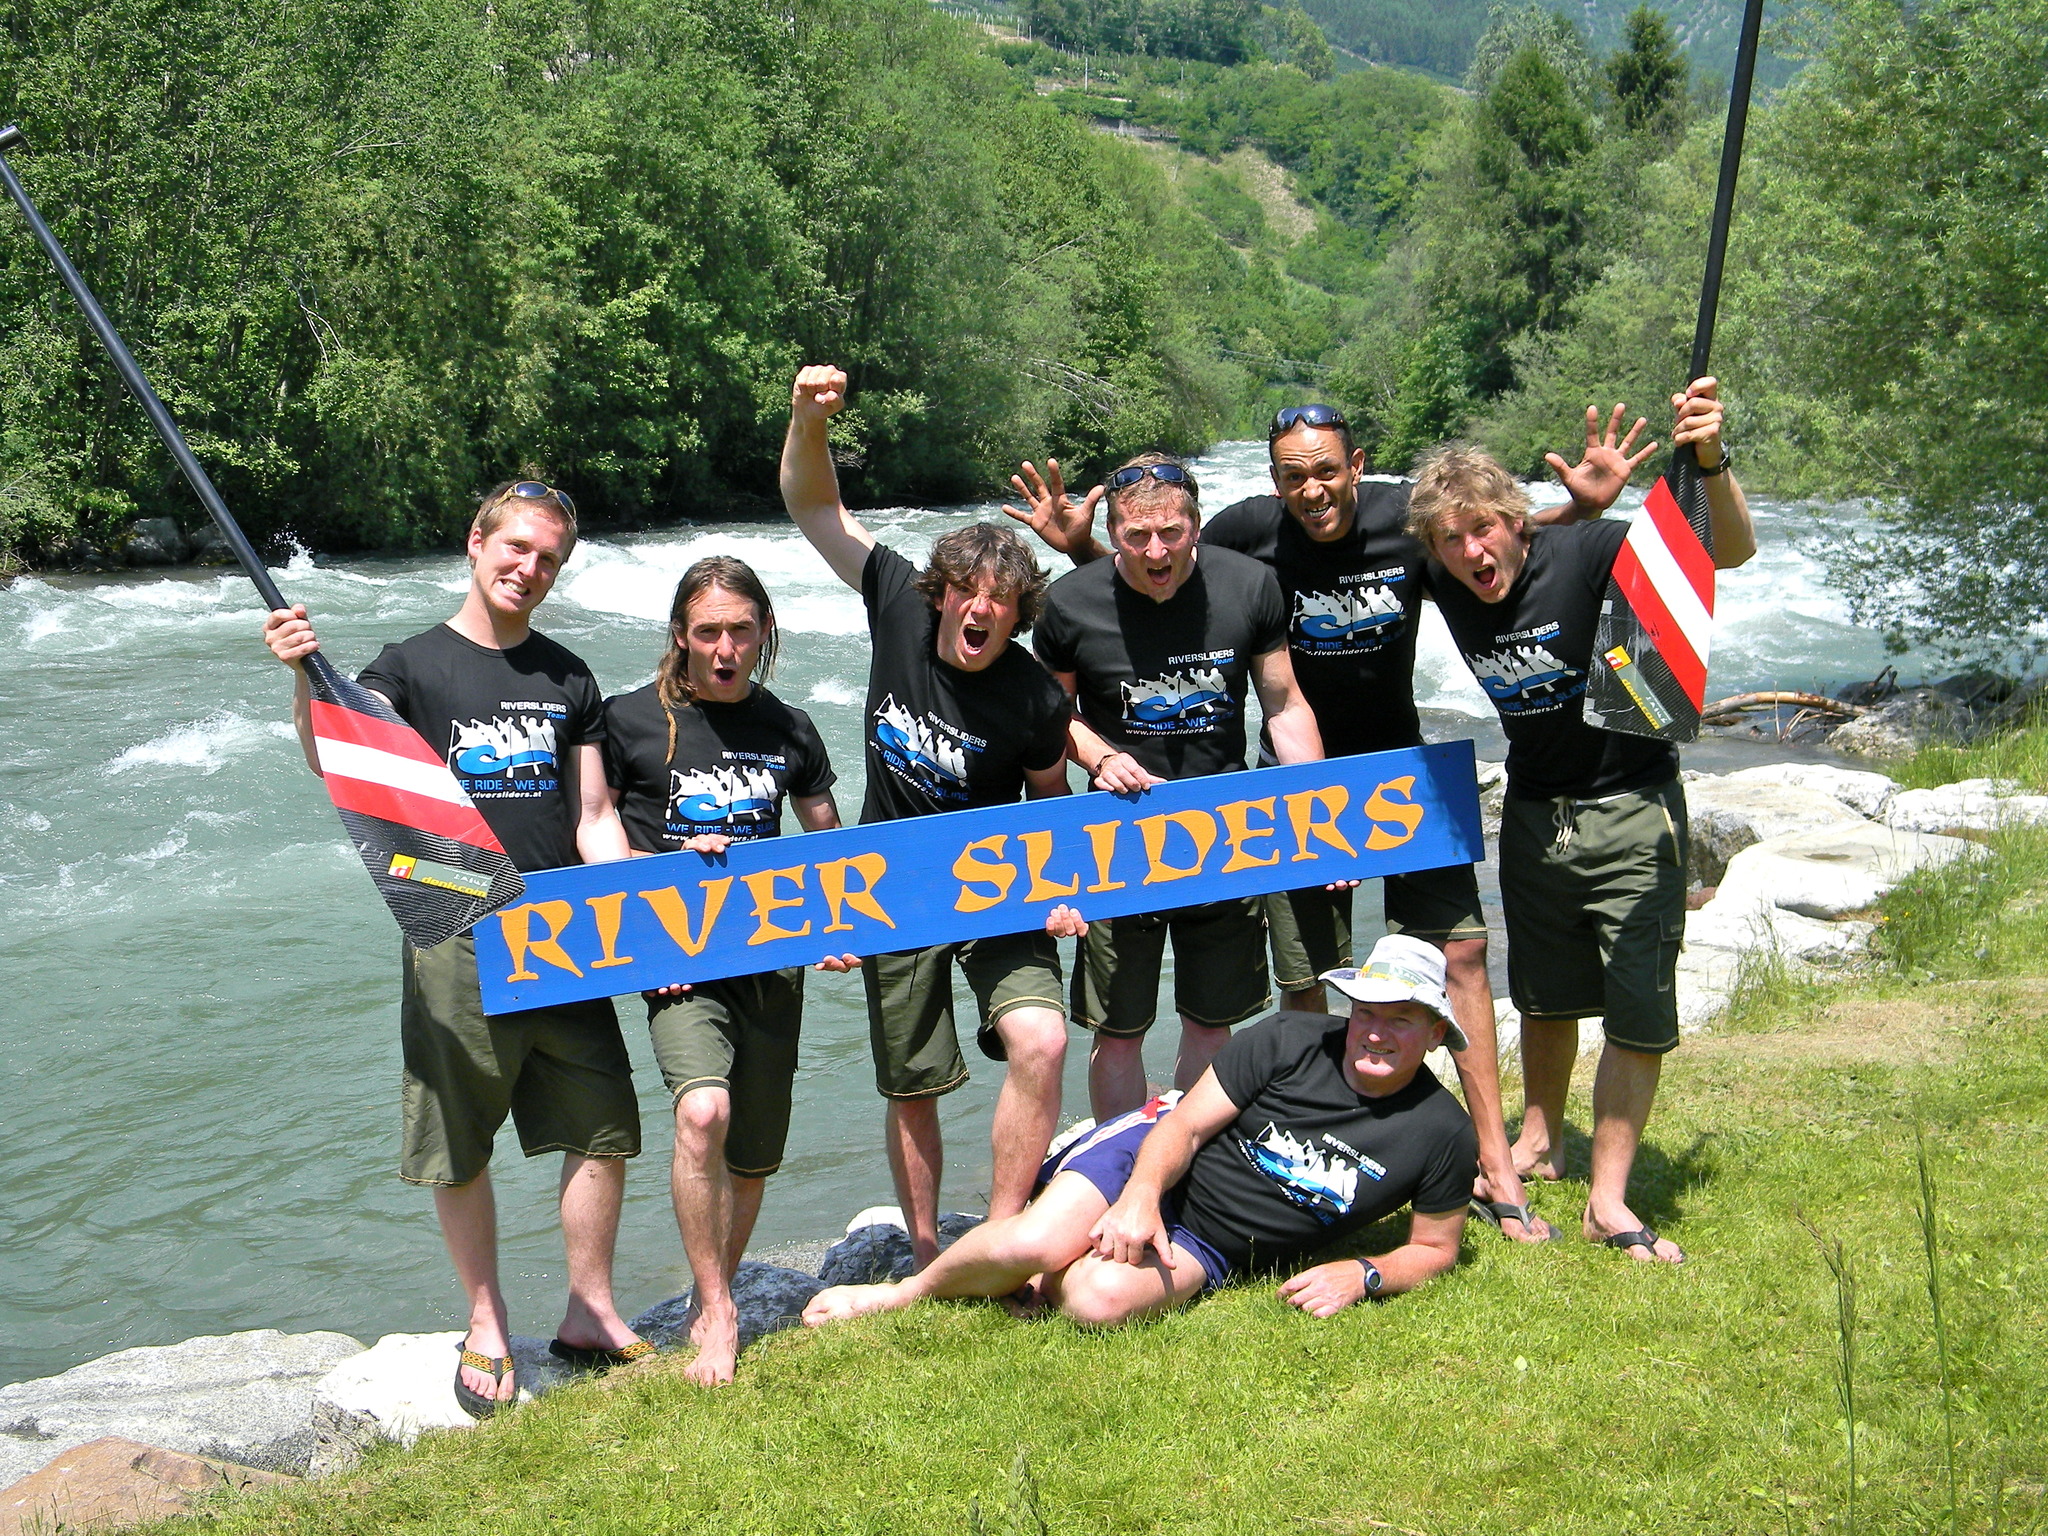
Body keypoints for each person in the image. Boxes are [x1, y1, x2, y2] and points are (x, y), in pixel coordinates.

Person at [1009, 407, 1649, 1242]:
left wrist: (1581, 509)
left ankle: (1495, 1161)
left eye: (1326, 470)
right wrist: (1084, 551)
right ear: (1271, 482)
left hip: (1399, 778)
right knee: (1306, 979)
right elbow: (1151, 588)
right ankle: (1291, 1156)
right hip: (1272, 798)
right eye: (1292, 476)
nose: (1311, 490)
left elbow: (1481, 540)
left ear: (1357, 465)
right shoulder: (1249, 533)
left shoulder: (1400, 516)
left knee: (1462, 955)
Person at [261, 481, 647, 1417]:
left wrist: (645, 909)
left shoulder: (569, 677)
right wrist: (303, 675)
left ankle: (590, 1309)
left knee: (602, 1128)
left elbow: (595, 815)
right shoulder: (410, 666)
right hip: (458, 927)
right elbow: (335, 756)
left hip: (566, 931)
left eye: (548, 558)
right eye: (515, 547)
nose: (529, 568)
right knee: (459, 1137)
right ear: (476, 543)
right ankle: (485, 1316)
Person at [1410, 377, 1755, 1264]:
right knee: (1546, 997)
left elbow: (1727, 552)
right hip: (1534, 815)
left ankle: (1608, 1199)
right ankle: (1540, 1143)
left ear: (1515, 521)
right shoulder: (1444, 579)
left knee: (1637, 1005)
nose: (1473, 552)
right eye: (1451, 539)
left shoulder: (1591, 550)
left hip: (1632, 804)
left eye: (1484, 528)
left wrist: (1709, 459)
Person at [779, 364, 1076, 1271]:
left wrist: (1060, 889)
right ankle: (922, 1250)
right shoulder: (897, 605)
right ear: (942, 592)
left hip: (995, 883)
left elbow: (1050, 804)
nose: (980, 609)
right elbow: (814, 507)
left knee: (1042, 1038)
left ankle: (1000, 1237)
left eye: (1001, 599)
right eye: (968, 590)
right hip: (894, 885)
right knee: (913, 1084)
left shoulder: (1034, 696)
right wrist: (807, 418)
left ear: (1018, 613)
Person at [801, 932, 1478, 1329]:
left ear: (1435, 1033)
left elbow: (1435, 1248)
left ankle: (1047, 1263)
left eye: (1401, 1019)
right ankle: (903, 1293)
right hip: (1151, 1159)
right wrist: (1138, 1200)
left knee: (1097, 1302)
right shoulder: (1292, 1039)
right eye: (1367, 1012)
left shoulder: (1441, 1132)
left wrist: (1365, 1274)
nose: (1376, 1033)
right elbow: (1185, 1126)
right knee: (1034, 1241)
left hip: (1213, 1244)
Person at [602, 556, 851, 1385]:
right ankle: (719, 1309)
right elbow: (594, 837)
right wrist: (665, 870)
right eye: (708, 631)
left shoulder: (790, 728)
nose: (725, 648)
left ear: (764, 632)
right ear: (680, 634)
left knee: (752, 1153)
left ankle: (715, 1287)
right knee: (703, 1111)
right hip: (678, 957)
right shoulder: (628, 721)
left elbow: (829, 846)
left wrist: (836, 926)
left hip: (771, 957)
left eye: (741, 631)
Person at [1028, 452, 1324, 1122]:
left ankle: (1188, 1159)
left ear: (1196, 523)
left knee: (1212, 1024)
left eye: (1171, 532)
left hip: (1226, 834)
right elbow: (1051, 718)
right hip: (1116, 839)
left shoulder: (1251, 585)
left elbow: (1284, 707)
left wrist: (1321, 814)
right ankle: (1117, 1164)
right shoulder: (1069, 604)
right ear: (1112, 532)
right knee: (1118, 1031)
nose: (1155, 551)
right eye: (1136, 536)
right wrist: (1099, 756)